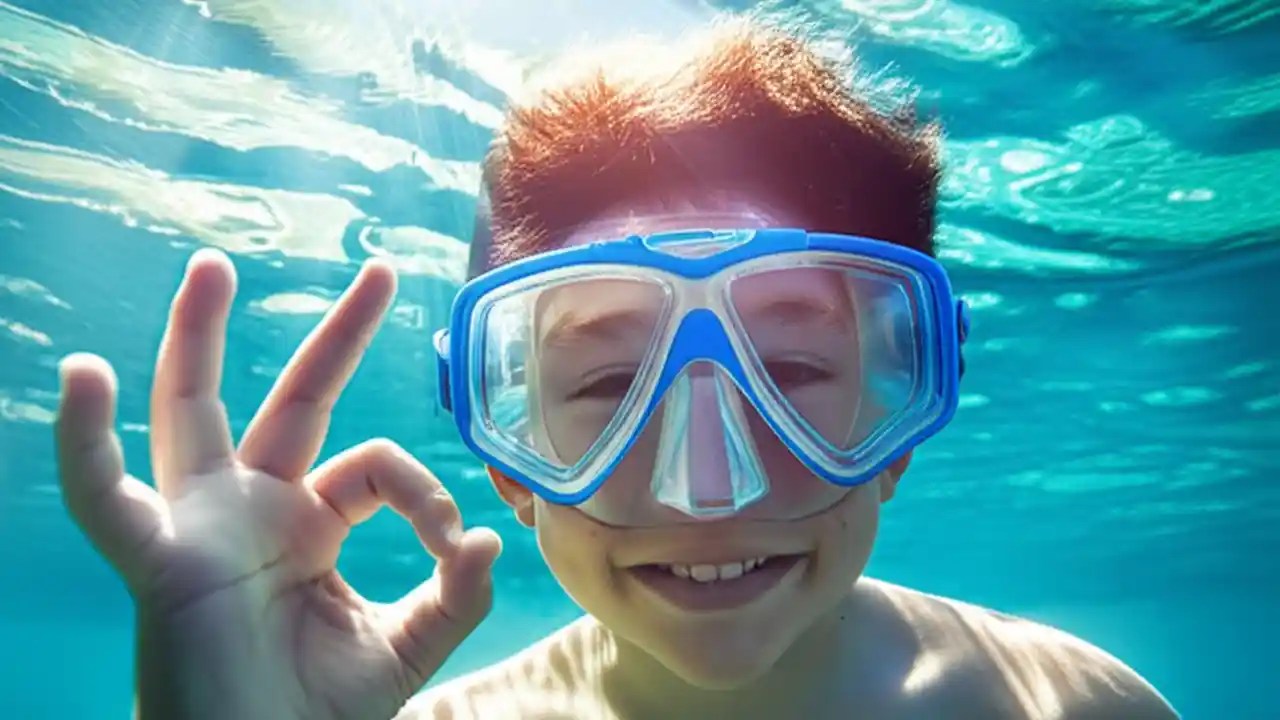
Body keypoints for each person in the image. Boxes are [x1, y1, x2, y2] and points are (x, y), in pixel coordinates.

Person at [54, 16, 1179, 720]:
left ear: (896, 415)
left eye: (789, 370)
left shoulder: (1077, 709)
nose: (708, 485)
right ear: (508, 460)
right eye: (601, 386)